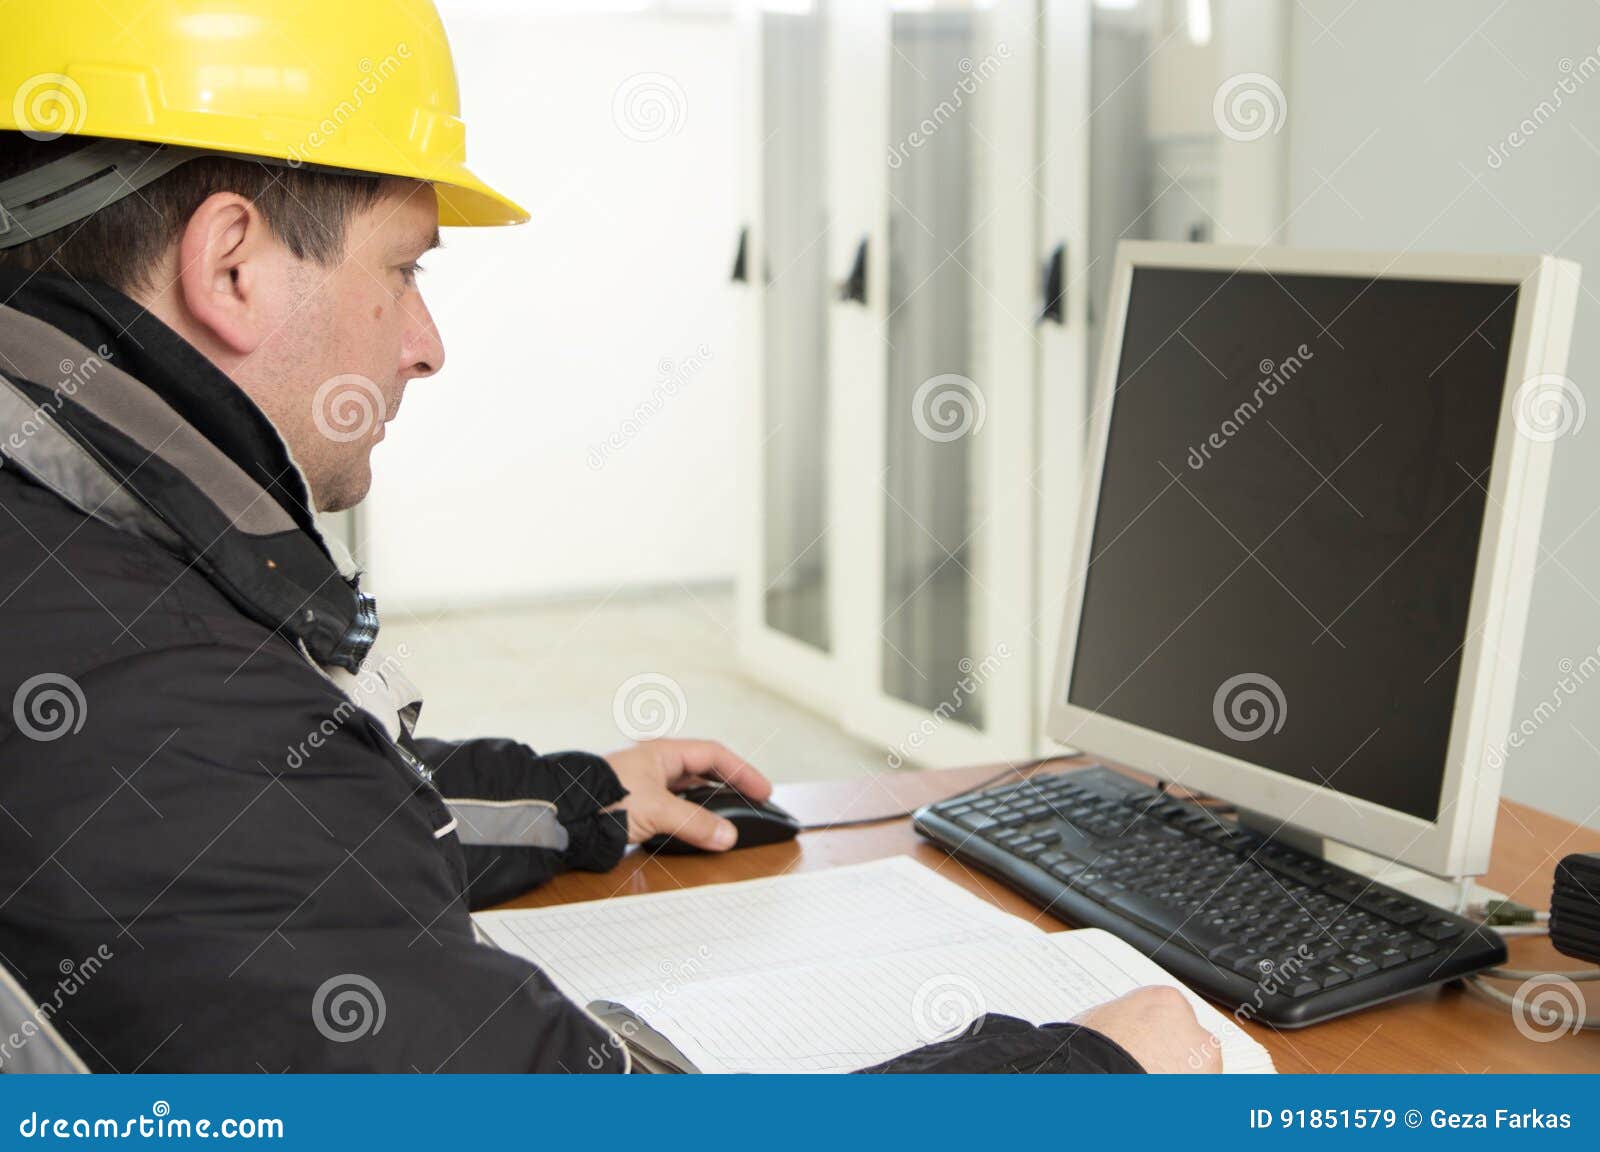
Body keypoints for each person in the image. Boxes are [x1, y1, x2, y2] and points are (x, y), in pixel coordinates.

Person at [0, 0, 1216, 1074]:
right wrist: (1081, 1077)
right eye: (407, 267)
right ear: (231, 265)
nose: (426, 343)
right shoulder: (155, 700)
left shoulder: (72, 567)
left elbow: (290, 836)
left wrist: (579, 801)